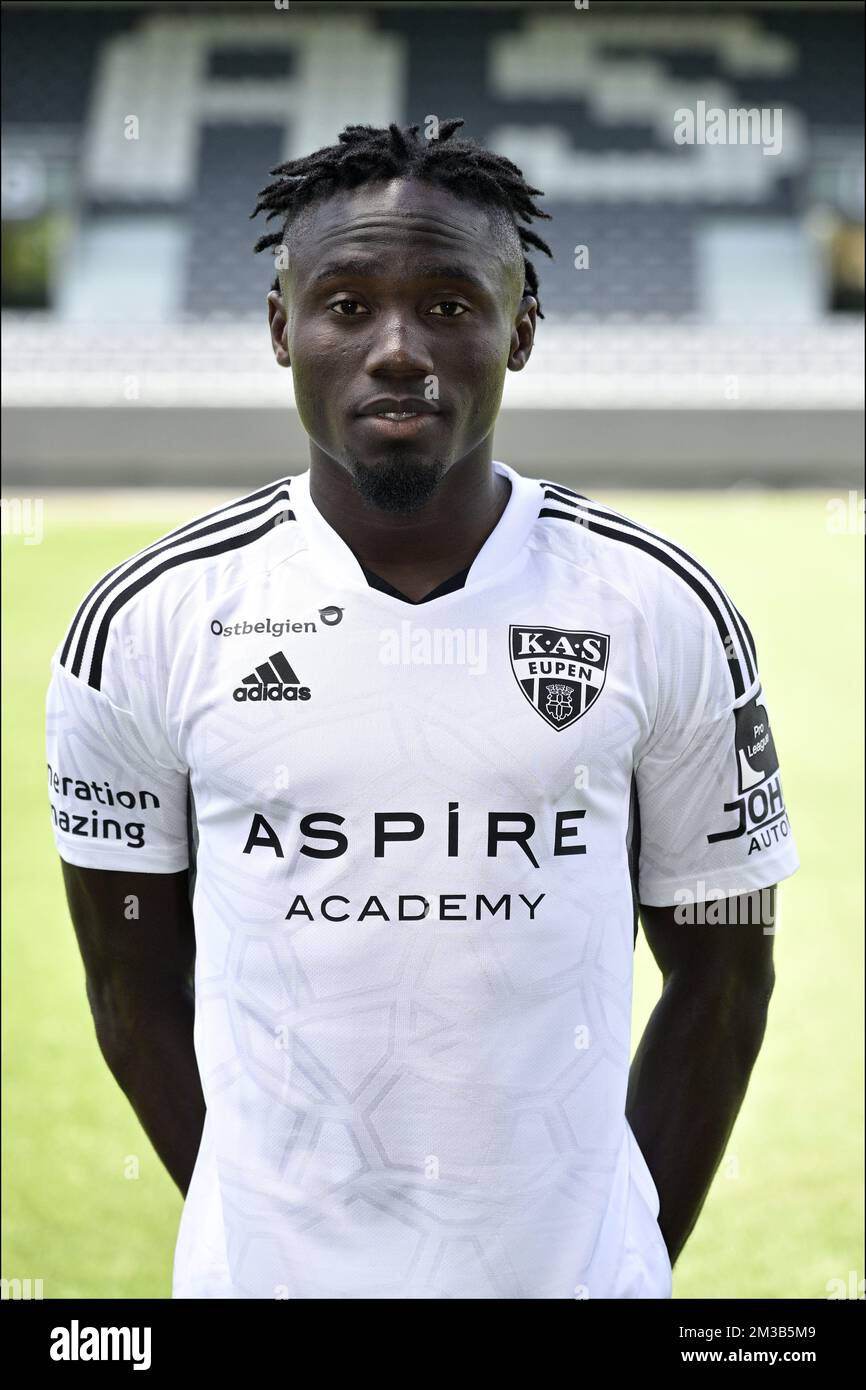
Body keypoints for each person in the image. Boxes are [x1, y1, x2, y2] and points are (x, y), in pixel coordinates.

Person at [46, 119, 799, 1299]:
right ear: (280, 327)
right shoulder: (144, 622)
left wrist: (622, 1252)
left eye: (450, 304)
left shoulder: (662, 610)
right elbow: (126, 987)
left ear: (523, 330)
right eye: (346, 304)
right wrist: (271, 1243)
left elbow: (726, 979)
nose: (396, 348)